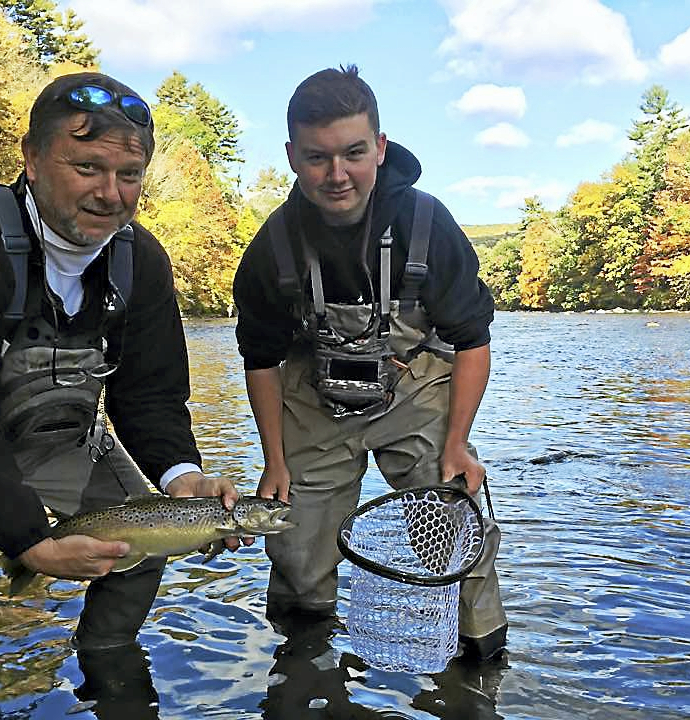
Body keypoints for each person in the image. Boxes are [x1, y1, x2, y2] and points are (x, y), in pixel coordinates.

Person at [0, 71, 243, 720]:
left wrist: (183, 479)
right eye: (87, 166)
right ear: (32, 161)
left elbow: (149, 396)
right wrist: (30, 540)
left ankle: (108, 667)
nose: (110, 193)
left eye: (129, 174)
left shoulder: (140, 262)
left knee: (150, 534)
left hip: (49, 423)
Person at [232, 65, 508, 664]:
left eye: (353, 153)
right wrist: (273, 461)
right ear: (291, 156)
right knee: (296, 552)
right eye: (317, 157)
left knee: (454, 531)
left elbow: (472, 341)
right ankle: (304, 666)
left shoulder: (428, 226)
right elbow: (260, 358)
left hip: (414, 388)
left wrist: (458, 444)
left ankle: (480, 668)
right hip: (311, 402)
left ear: (380, 148)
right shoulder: (270, 247)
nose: (337, 175)